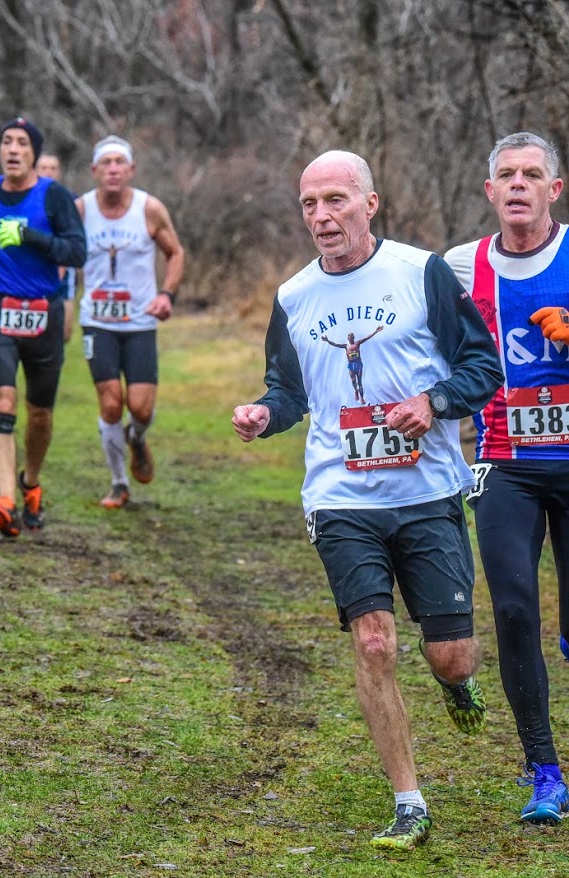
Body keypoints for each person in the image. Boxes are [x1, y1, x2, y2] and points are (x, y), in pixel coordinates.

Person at [231, 150, 501, 850]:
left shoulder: (420, 273)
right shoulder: (292, 297)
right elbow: (289, 390)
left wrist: (433, 400)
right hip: (339, 495)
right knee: (374, 641)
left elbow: (482, 367)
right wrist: (266, 413)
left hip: (427, 490)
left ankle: (454, 684)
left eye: (334, 201)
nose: (321, 216)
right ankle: (408, 801)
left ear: (369, 204)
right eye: (309, 204)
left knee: (452, 656)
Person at [444, 131, 569, 825]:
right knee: (514, 609)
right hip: (504, 463)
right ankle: (544, 772)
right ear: (488, 192)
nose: (517, 185)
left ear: (554, 189)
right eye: (504, 175)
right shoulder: (460, 266)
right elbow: (413, 329)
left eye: (531, 174)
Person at [0, 118, 86, 537]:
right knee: (3, 399)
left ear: (34, 153)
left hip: (42, 311)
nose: (13, 149)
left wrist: (30, 236)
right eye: (7, 141)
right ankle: (5, 499)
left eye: (22, 143)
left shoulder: (55, 197)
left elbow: (77, 251)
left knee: (40, 414)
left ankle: (30, 483)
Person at [75, 136, 185, 508]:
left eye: (119, 162)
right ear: (94, 171)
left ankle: (136, 437)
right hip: (97, 321)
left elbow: (176, 253)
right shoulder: (81, 210)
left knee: (140, 408)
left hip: (139, 321)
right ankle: (119, 482)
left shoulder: (149, 208)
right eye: (105, 163)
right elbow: (62, 254)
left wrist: (166, 295)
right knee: (110, 404)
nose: (112, 169)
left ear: (131, 169)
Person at [35, 153, 79, 342]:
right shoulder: (26, 196)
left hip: (64, 272)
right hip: (33, 270)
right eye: (44, 168)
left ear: (59, 173)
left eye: (53, 168)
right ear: (36, 170)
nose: (48, 172)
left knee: (64, 333)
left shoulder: (70, 199)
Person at [320, 325, 384, 404]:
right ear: (347, 338)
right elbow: (335, 344)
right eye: (349, 336)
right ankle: (356, 390)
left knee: (360, 382)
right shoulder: (346, 346)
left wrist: (376, 331)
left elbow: (367, 338)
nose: (350, 337)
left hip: (358, 364)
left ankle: (362, 398)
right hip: (351, 366)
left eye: (351, 336)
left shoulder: (357, 343)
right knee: (354, 381)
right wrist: (328, 340)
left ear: (353, 337)